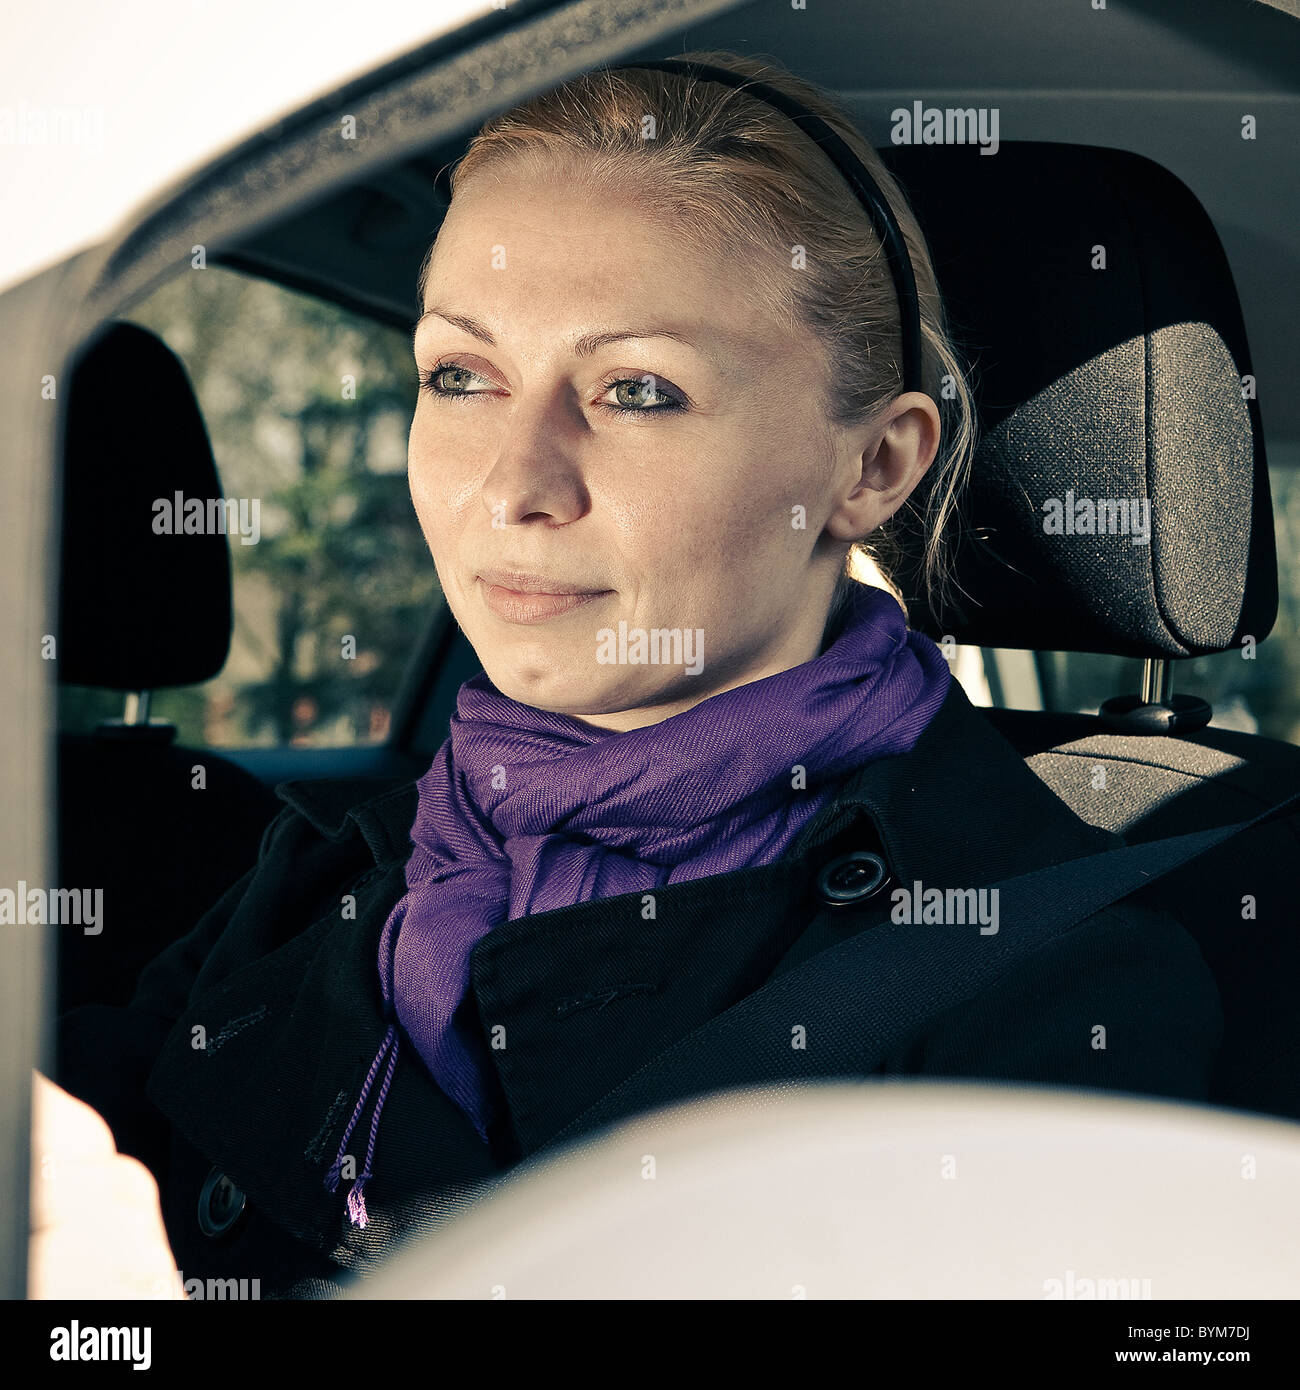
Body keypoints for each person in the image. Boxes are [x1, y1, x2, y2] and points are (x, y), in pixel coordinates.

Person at [53, 51, 1221, 1299]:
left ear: (873, 467)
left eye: (638, 390)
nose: (511, 484)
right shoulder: (319, 872)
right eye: (461, 375)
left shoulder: (1045, 977)